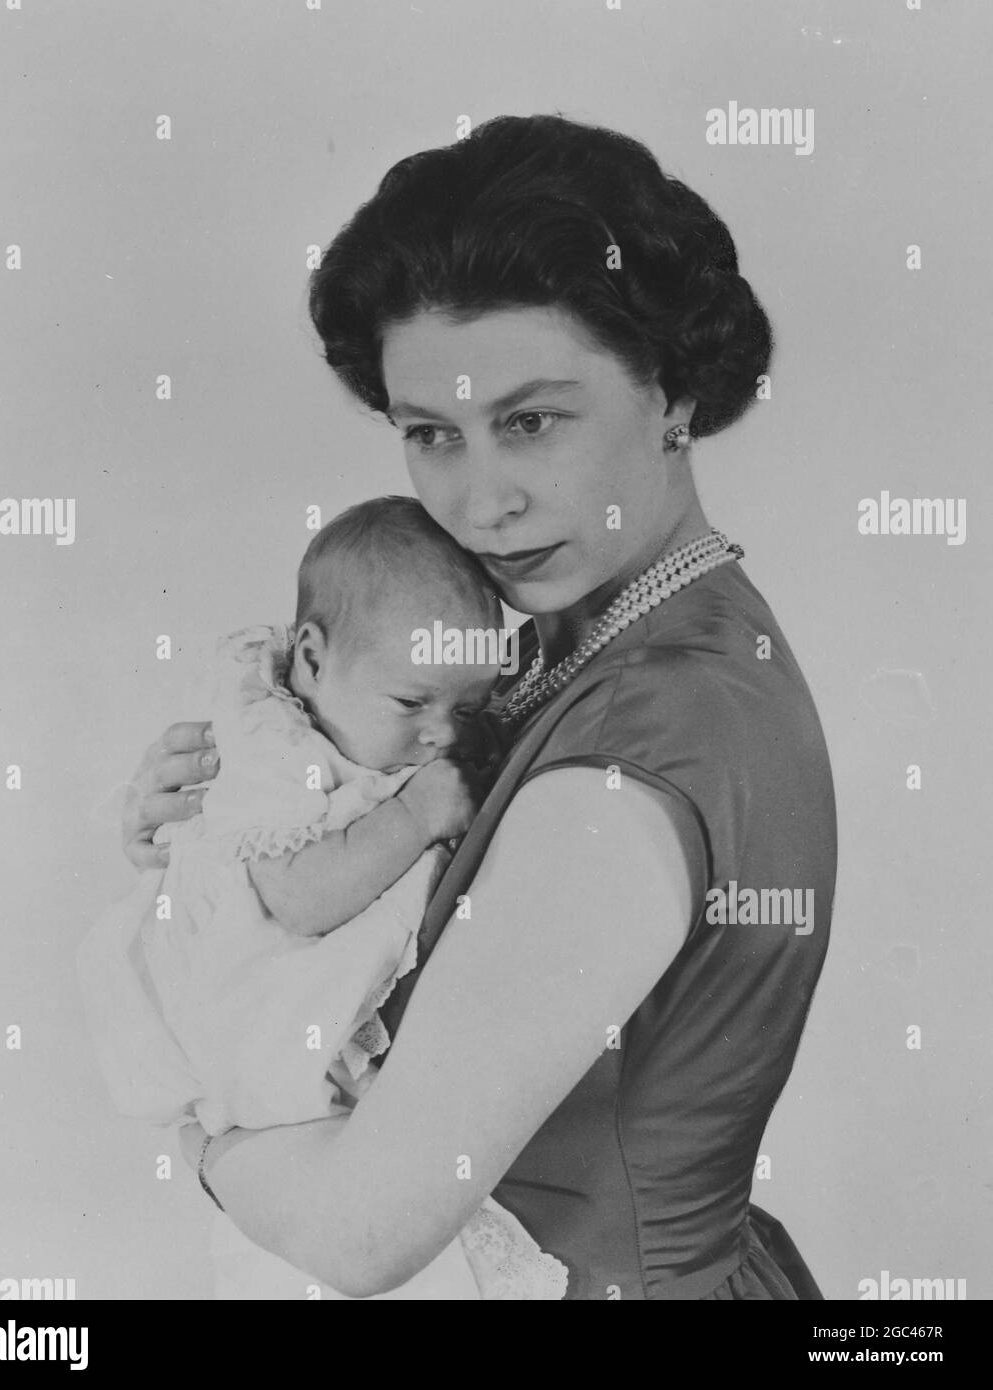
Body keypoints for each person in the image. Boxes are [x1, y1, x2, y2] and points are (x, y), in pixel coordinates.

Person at [121, 114, 837, 1300]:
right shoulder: (594, 646)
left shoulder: (646, 742)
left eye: (531, 421)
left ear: (673, 392)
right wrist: (216, 834)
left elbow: (362, 1232)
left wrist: (200, 1128)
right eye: (430, 435)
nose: (482, 500)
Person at [80, 497, 567, 1298]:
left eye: (468, 709)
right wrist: (416, 815)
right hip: (262, 1067)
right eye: (412, 703)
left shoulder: (370, 723)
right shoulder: (274, 751)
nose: (442, 735)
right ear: (309, 658)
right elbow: (302, 899)